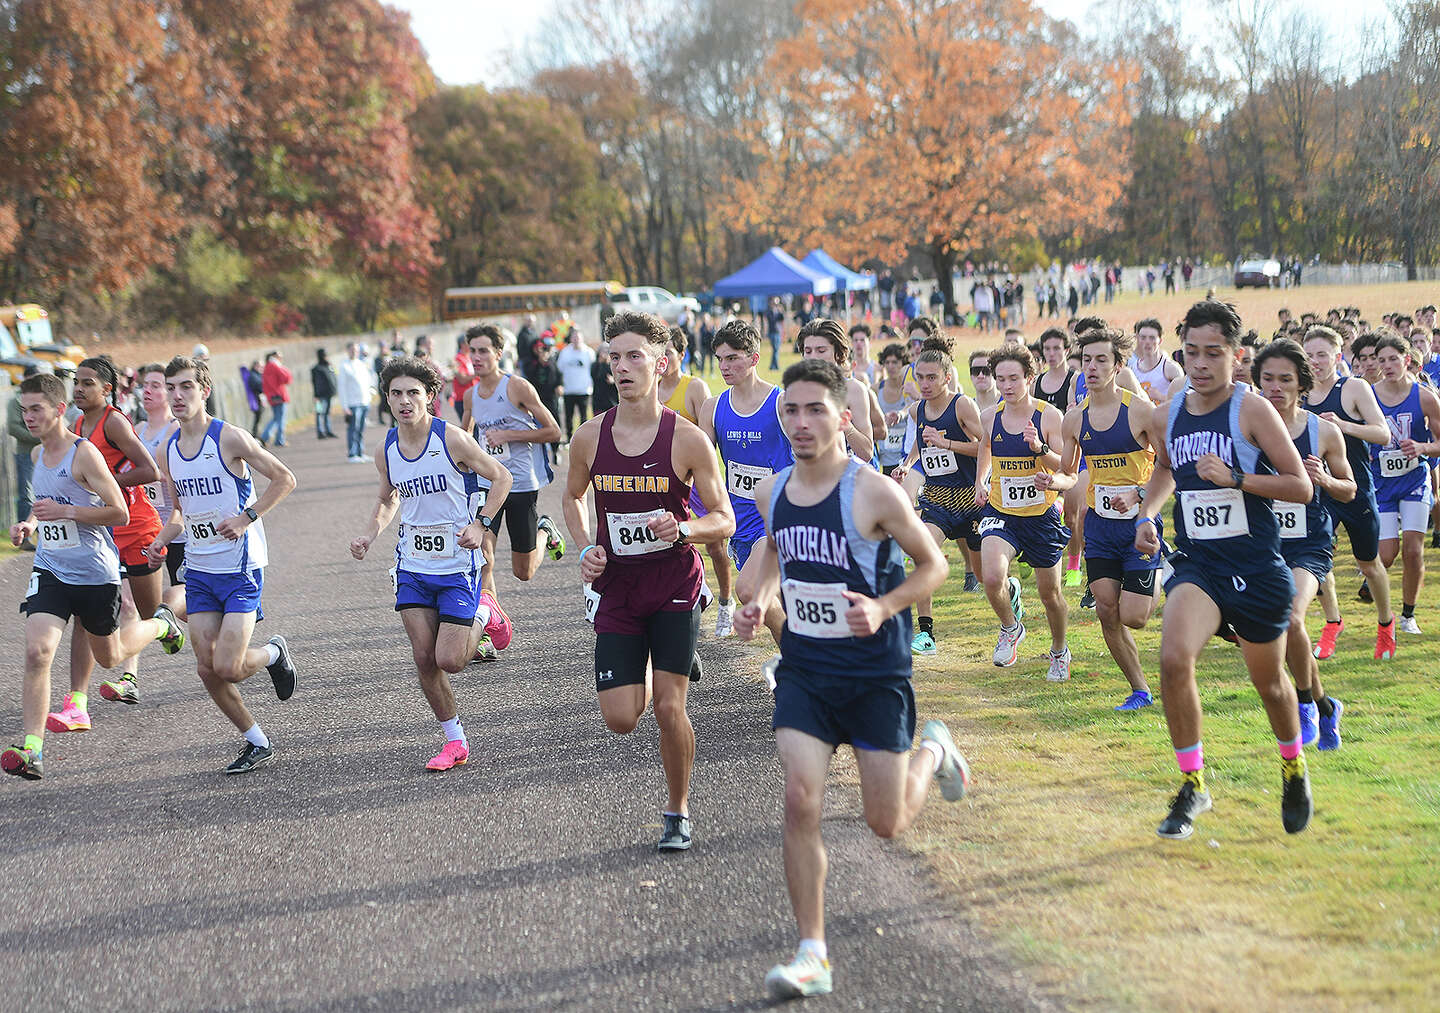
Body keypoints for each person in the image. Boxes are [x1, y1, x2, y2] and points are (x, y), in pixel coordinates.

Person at [733, 359, 970, 1001]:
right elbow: (779, 550)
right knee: (800, 799)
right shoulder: (772, 489)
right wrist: (760, 600)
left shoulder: (874, 493)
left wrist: (886, 607)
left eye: (815, 410)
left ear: (843, 417)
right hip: (807, 668)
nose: (801, 423)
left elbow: (935, 565)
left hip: (873, 671)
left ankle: (936, 748)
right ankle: (813, 952)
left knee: (886, 822)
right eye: (791, 411)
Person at [1133, 300, 1314, 840]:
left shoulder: (1251, 409)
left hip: (1257, 567)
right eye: (1191, 352)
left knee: (1272, 686)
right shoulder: (1168, 411)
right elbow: (1166, 468)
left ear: (1236, 356)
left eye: (1214, 353)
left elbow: (1300, 486)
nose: (1201, 364)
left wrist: (1237, 479)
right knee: (1172, 657)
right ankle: (1193, 783)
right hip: (1200, 565)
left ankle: (1292, 766)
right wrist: (1147, 512)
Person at [563, 310, 735, 851]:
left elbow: (723, 519)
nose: (622, 366)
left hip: (672, 584)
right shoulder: (590, 437)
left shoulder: (687, 441)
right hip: (617, 585)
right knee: (620, 718)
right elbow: (571, 496)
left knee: (668, 707)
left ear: (662, 364)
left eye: (634, 355)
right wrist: (587, 546)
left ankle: (678, 810)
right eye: (614, 357)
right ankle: (667, 659)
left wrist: (683, 527)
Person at [3, 373, 184, 780]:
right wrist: (30, 524)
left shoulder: (83, 454)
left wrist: (68, 513)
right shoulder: (36, 457)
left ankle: (160, 624)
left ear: (58, 409)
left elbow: (118, 511)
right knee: (37, 652)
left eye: (36, 409)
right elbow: (47, 502)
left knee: (111, 656)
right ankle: (32, 748)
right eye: (24, 410)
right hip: (51, 568)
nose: (29, 418)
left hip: (94, 573)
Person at [349, 355, 515, 769]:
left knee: (450, 660)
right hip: (412, 565)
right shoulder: (386, 448)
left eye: (413, 393)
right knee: (423, 658)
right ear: (386, 398)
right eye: (396, 393)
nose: (404, 401)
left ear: (429, 397)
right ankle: (454, 740)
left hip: (458, 563)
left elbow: (501, 477)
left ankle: (484, 611)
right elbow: (389, 498)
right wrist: (369, 535)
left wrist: (481, 524)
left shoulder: (452, 439)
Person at [144, 355, 299, 774]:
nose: (177, 396)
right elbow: (177, 511)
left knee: (229, 666)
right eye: (170, 387)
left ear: (204, 392)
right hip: (198, 569)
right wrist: (161, 539)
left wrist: (247, 516)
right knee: (207, 668)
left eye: (185, 387)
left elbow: (284, 478)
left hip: (240, 567)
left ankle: (273, 653)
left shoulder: (229, 438)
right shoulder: (167, 449)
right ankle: (256, 740)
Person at [1041, 327, 1160, 710]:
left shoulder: (1140, 411)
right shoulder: (1074, 419)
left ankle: (1168, 568)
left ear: (1117, 365)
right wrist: (1053, 480)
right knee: (1108, 610)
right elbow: (1071, 473)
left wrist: (1140, 495)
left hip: (1140, 525)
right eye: (1086, 360)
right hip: (1101, 528)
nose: (1091, 368)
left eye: (1101, 360)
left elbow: (1170, 468)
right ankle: (1139, 689)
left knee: (1135, 616)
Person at [48, 357, 168, 724]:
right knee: (86, 616)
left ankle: (166, 624)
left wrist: (108, 481)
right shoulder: (78, 424)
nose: (79, 388)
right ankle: (76, 705)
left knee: (150, 613)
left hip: (136, 526)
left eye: (87, 383)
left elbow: (150, 470)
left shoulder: (114, 422)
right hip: (102, 532)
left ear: (106, 389)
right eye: (77, 382)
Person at [1253, 339, 1351, 752]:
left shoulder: (1322, 431)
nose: (1275, 387)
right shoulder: (1245, 428)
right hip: (1260, 543)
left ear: (1301, 383)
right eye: (1268, 379)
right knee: (1276, 630)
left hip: (1309, 544)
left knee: (1292, 618)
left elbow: (1349, 489)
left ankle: (1308, 703)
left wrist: (1326, 480)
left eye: (1285, 380)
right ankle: (1329, 707)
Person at [700, 319, 796, 680]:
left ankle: (803, 661)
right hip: (740, 522)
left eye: (734, 358)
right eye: (720, 359)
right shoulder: (714, 407)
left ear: (754, 358)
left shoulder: (780, 403)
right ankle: (805, 665)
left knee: (748, 590)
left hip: (777, 519)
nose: (725, 366)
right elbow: (701, 460)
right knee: (780, 604)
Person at [974, 346, 1071, 676]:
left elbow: (1067, 468)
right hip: (1002, 511)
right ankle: (1011, 627)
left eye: (1014, 378)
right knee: (990, 577)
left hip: (1041, 516)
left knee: (1050, 594)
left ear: (1030, 378)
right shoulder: (990, 416)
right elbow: (985, 446)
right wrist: (980, 480)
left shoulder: (1049, 417)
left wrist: (1040, 451)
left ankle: (1059, 650)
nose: (1006, 386)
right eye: (1000, 379)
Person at [1302, 326, 1393, 658]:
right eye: (1309, 355)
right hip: (1315, 493)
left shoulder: (1352, 387)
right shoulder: (1298, 394)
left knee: (1368, 564)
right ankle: (1332, 624)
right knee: (1318, 563)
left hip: (1355, 490)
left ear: (1338, 357)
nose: (1315, 362)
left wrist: (1342, 424)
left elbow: (1382, 433)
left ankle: (1386, 625)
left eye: (1322, 354)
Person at [460, 324, 566, 599]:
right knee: (483, 555)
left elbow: (553, 431)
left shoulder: (517, 387)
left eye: (483, 351)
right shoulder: (470, 396)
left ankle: (544, 530)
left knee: (524, 572)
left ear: (498, 352)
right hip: (488, 484)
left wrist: (509, 434)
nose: (476, 357)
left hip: (520, 484)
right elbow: (464, 438)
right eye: (472, 351)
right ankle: (487, 623)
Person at [890, 350, 985, 652]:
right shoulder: (919, 409)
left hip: (970, 500)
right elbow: (922, 441)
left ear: (946, 376)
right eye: (920, 377)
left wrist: (949, 443)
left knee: (988, 578)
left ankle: (1011, 591)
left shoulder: (962, 406)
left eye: (931, 377)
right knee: (922, 557)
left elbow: (987, 445)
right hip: (938, 498)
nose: (925, 383)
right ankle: (926, 633)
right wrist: (908, 463)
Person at [658, 326, 734, 637]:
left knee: (716, 546)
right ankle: (689, 598)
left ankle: (727, 605)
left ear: (681, 354)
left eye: (669, 353)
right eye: (658, 353)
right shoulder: (649, 388)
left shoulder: (694, 387)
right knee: (670, 544)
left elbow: (706, 441)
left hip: (695, 481)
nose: (663, 359)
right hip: (663, 482)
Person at [1367, 332, 1440, 635]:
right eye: (1381, 360)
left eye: (1393, 359)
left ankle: (1408, 615)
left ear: (1407, 360)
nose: (1387, 365)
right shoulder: (1367, 395)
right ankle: (1383, 609)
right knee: (1386, 554)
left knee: (1413, 550)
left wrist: (1423, 448)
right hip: (1381, 484)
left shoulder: (1423, 396)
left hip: (1414, 481)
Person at [136, 363, 187, 621]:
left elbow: (176, 475)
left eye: (155, 386)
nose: (147, 390)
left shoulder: (174, 429)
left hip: (176, 530)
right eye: (145, 385)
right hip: (145, 530)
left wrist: (149, 474)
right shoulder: (137, 430)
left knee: (185, 603)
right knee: (133, 603)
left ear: (168, 393)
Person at [797, 319, 880, 461]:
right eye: (808, 351)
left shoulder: (854, 389)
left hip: (851, 477)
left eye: (821, 350)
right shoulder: (797, 392)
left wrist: (845, 424)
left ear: (838, 353)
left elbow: (866, 453)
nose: (813, 357)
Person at [8, 364, 41, 550]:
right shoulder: (16, 400)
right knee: (26, 494)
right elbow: (13, 427)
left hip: (44, 451)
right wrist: (37, 436)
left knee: (43, 492)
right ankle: (23, 536)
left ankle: (39, 531)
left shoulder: (43, 398)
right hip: (25, 452)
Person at [339, 341, 378, 463]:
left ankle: (360, 452)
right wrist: (344, 406)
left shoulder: (361, 364)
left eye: (356, 350)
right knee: (353, 429)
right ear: (347, 351)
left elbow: (369, 380)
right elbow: (342, 387)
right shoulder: (344, 366)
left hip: (364, 401)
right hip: (352, 403)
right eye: (352, 350)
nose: (354, 352)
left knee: (361, 429)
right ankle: (352, 453)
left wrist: (370, 393)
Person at [1127, 318, 1183, 404]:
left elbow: (1183, 402)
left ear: (1160, 340)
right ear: (1137, 339)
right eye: (1143, 338)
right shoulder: (1132, 369)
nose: (1147, 342)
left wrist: (1160, 397)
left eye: (1152, 338)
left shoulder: (1171, 368)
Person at [556, 326, 597, 440]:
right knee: (569, 416)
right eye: (574, 338)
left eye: (578, 338)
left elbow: (593, 369)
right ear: (571, 339)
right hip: (569, 389)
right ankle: (569, 438)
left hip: (584, 389)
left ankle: (584, 438)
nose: (576, 340)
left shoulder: (588, 352)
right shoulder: (565, 352)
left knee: (584, 416)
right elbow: (559, 369)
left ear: (582, 339)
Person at [259, 350, 292, 448]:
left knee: (277, 418)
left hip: (272, 396)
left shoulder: (268, 366)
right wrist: (282, 367)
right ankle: (276, 439)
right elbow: (286, 378)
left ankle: (268, 437)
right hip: (279, 395)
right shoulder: (274, 366)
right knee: (279, 418)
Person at [311, 348, 338, 440]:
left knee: (327, 413)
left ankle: (328, 430)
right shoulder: (316, 369)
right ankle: (320, 432)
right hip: (319, 396)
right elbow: (314, 383)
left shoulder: (328, 366)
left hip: (328, 394)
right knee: (320, 413)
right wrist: (316, 395)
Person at [451, 333, 476, 420]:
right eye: (468, 343)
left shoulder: (469, 357)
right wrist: (478, 373)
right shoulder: (457, 359)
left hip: (473, 398)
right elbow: (462, 379)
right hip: (463, 400)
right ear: (462, 344)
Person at [242, 360, 264, 436]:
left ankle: (256, 434)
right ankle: (255, 435)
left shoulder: (257, 374)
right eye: (260, 366)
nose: (262, 368)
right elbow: (257, 386)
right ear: (255, 366)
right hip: (256, 399)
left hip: (258, 398)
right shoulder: (253, 375)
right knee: (257, 418)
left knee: (259, 418)